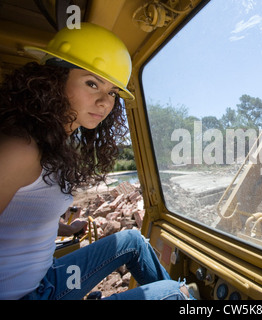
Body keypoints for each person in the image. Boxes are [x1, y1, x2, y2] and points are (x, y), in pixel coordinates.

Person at [0, 23, 191, 300]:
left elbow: (22, 213)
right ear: (53, 79)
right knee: (176, 295)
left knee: (133, 241)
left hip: (46, 278)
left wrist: (65, 228)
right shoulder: (20, 149)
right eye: (92, 83)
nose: (105, 102)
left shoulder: (53, 142)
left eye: (113, 92)